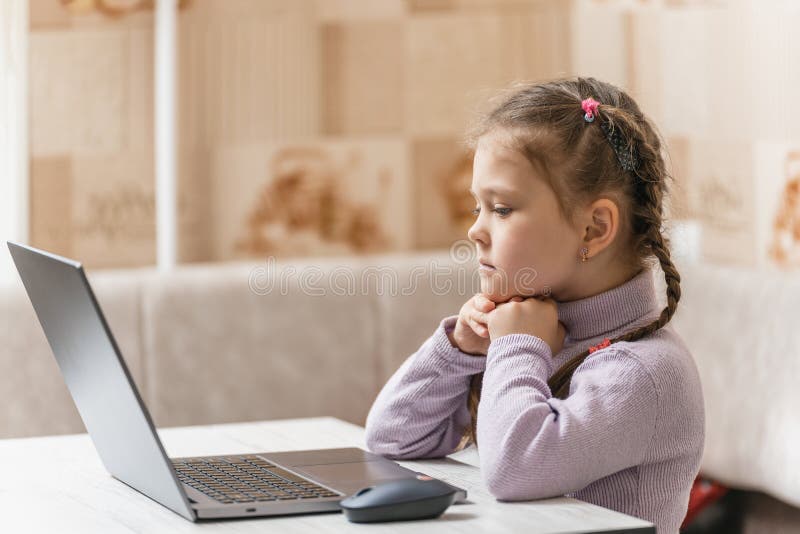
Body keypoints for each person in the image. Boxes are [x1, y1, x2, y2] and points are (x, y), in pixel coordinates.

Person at [364, 77, 705, 534]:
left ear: (593, 228)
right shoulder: (527, 331)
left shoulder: (644, 373)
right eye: (476, 208)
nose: (476, 231)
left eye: (501, 209)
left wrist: (519, 345)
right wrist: (458, 350)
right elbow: (390, 439)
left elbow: (515, 470)